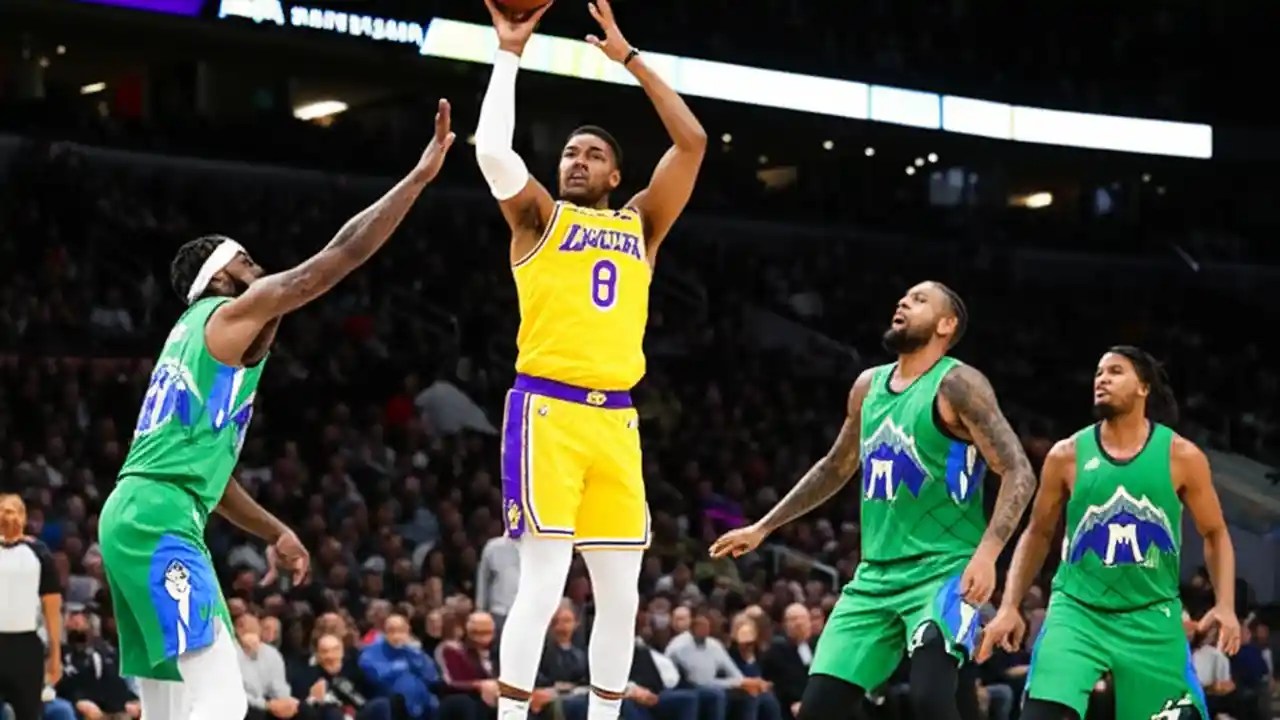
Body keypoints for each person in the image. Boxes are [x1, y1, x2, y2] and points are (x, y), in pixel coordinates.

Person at [95, 102, 455, 720]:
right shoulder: (230, 315)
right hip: (160, 520)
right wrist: (417, 179)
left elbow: (213, 478)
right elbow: (338, 257)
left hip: (136, 511)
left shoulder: (194, 337)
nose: (257, 267)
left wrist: (275, 530)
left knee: (170, 707)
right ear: (221, 278)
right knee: (223, 699)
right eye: (244, 261)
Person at [473, 0, 707, 718]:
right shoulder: (539, 217)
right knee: (542, 582)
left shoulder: (640, 223)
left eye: (592, 155)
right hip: (547, 408)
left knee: (622, 592)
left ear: (615, 176)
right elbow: (490, 152)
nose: (576, 160)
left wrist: (629, 59)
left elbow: (692, 142)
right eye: (569, 152)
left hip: (615, 420)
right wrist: (509, 54)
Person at [710, 281, 1037, 720]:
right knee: (817, 711)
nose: (903, 301)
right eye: (903, 296)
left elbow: (1018, 469)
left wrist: (987, 555)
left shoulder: (958, 384)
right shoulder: (868, 386)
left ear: (947, 324)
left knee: (928, 698)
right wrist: (763, 527)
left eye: (919, 300)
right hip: (873, 579)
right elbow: (835, 467)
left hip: (944, 571)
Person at [980, 346, 1242, 720]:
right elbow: (1037, 533)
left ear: (1143, 388)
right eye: (1099, 372)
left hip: (1150, 615)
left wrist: (1227, 605)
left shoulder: (1182, 456)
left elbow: (1215, 533)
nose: (1101, 379)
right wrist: (1009, 606)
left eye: (1115, 372)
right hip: (1077, 612)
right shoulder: (1065, 455)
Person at [0, 494, 63, 720]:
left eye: (10, 510)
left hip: (25, 646)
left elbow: (52, 609)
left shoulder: (40, 553)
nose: (4, 515)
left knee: (29, 714)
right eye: (1, 510)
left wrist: (56, 655)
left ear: (23, 517)